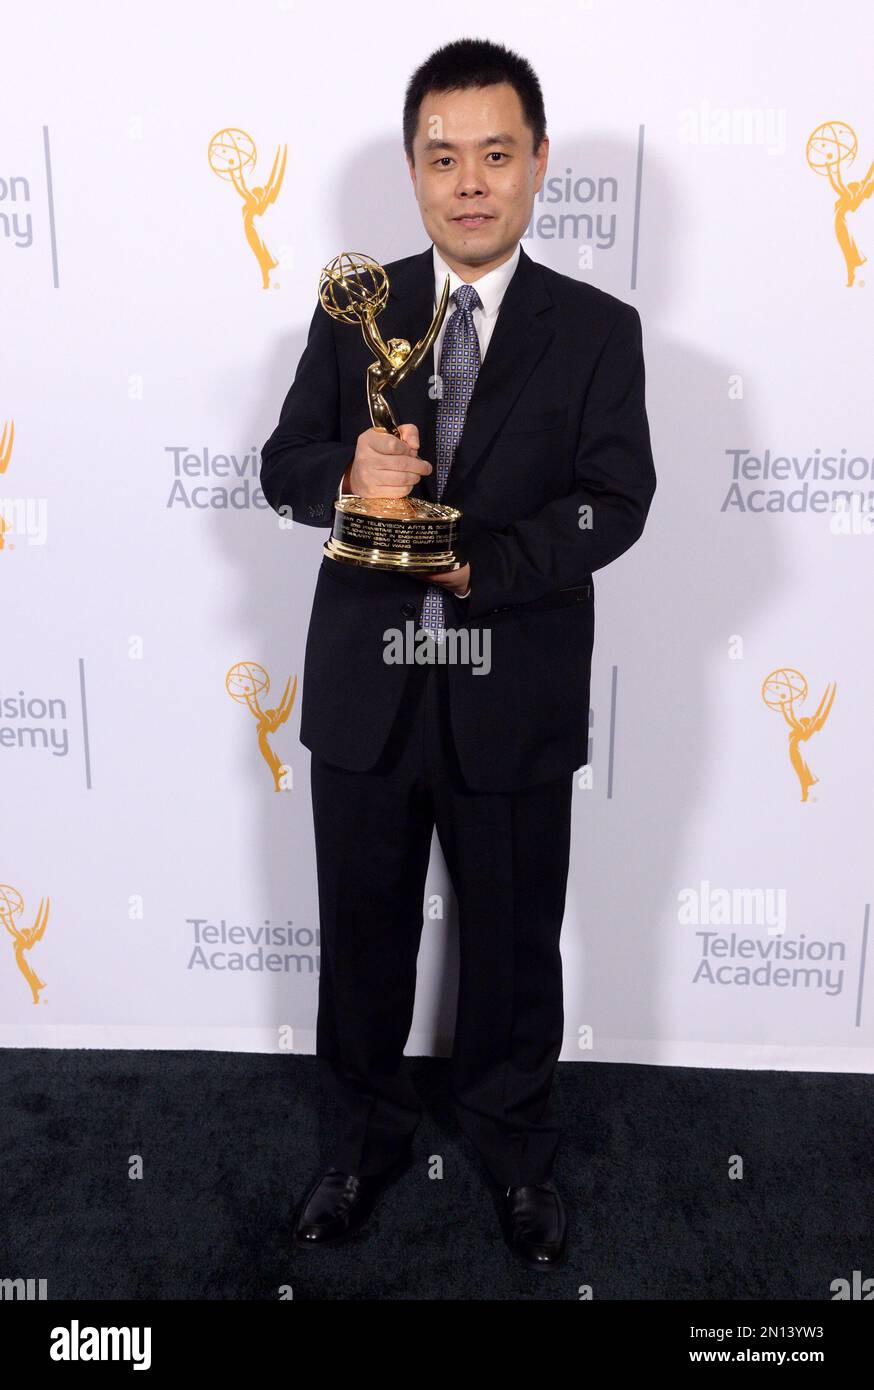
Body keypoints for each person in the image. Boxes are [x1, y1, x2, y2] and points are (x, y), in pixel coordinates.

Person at [259, 36, 656, 1271]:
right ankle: (360, 1141)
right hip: (367, 694)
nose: (469, 181)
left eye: (495, 153)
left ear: (537, 164)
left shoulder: (598, 329)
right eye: (444, 156)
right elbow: (282, 468)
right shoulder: (354, 308)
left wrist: (486, 566)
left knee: (513, 939)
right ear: (413, 167)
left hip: (512, 693)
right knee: (362, 935)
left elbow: (617, 498)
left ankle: (516, 1150)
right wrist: (349, 476)